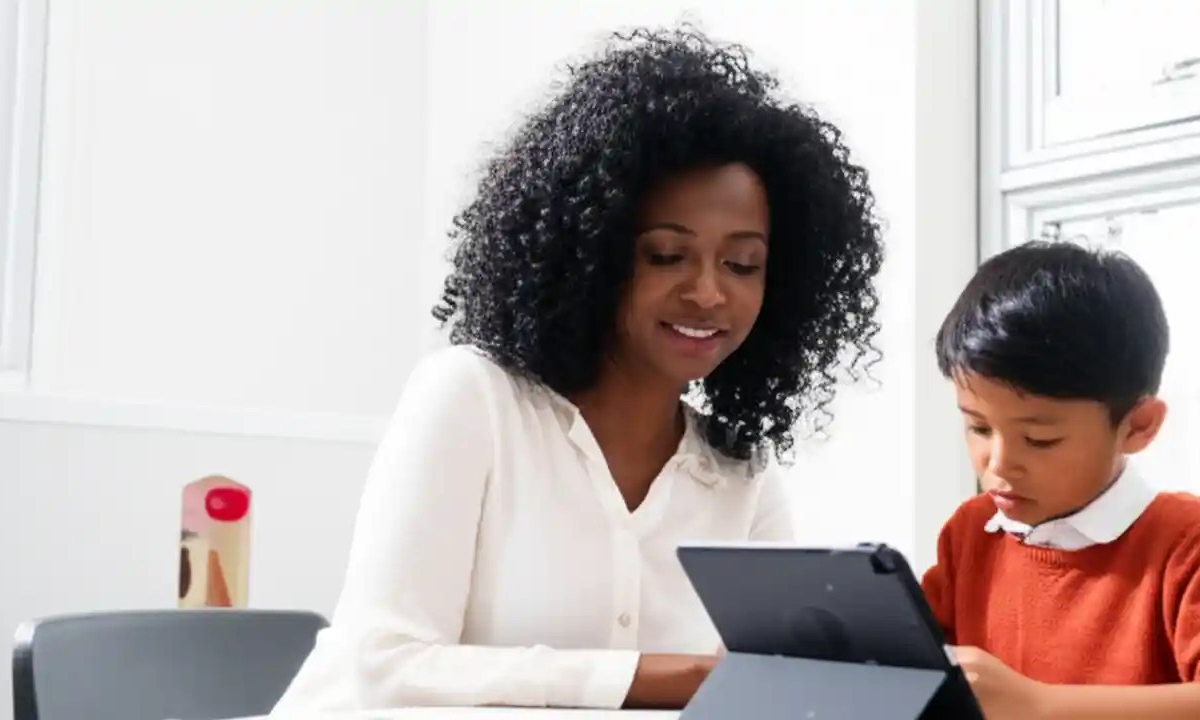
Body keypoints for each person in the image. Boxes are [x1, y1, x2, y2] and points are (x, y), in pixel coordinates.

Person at [273, 27, 882, 712]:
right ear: (589, 253)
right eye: (664, 256)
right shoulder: (473, 398)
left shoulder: (740, 470)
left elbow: (767, 686)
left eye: (742, 265)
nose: (709, 293)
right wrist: (670, 677)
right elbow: (380, 665)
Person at [922, 241, 1200, 720]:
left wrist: (1040, 706)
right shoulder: (971, 533)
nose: (1000, 463)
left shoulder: (1189, 545)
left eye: (1040, 440)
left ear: (1138, 427)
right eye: (978, 427)